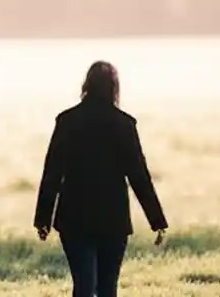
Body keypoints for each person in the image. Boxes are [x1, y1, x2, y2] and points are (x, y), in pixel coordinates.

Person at [33, 60, 168, 297]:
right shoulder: (124, 124)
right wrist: (156, 220)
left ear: (86, 86)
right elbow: (139, 176)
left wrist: (43, 218)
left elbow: (52, 172)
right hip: (113, 220)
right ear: (114, 88)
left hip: (74, 219)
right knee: (108, 288)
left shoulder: (67, 121)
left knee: (83, 286)